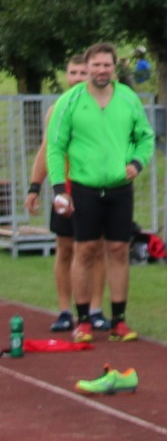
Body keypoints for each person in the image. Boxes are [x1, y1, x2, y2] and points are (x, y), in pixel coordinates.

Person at [40, 43, 155, 342]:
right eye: (96, 65)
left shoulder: (128, 99)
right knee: (85, 250)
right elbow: (55, 147)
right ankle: (83, 320)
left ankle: (118, 319)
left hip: (119, 188)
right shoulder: (70, 101)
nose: (101, 71)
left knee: (118, 250)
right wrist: (58, 189)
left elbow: (145, 137)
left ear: (114, 68)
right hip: (83, 187)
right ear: (88, 67)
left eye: (107, 65)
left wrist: (137, 162)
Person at [24, 53, 93, 332]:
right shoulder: (57, 110)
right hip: (65, 188)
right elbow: (46, 150)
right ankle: (65, 311)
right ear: (67, 75)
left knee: (93, 250)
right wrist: (35, 186)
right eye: (73, 72)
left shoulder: (103, 109)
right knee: (65, 248)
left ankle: (95, 310)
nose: (77, 78)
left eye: (82, 73)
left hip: (93, 186)